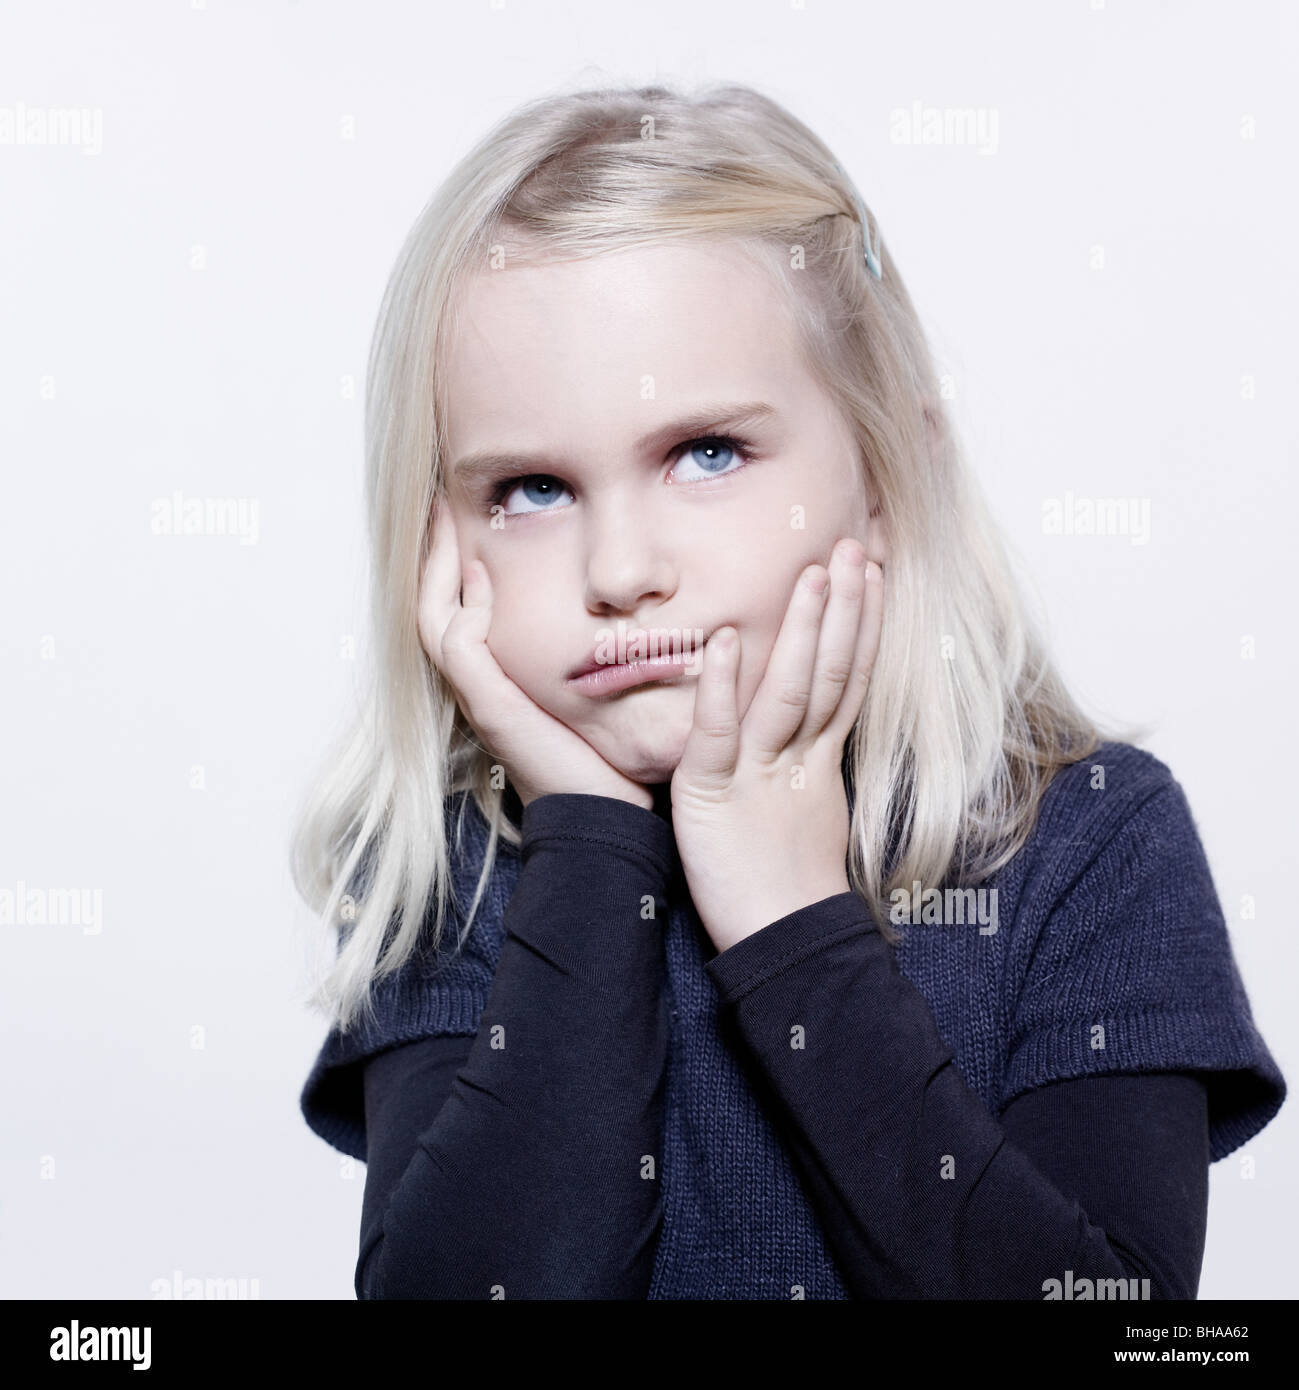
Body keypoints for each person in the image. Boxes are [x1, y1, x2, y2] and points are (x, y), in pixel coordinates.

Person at [292, 82, 1285, 1300]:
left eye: (707, 453)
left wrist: (785, 913)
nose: (619, 573)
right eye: (532, 490)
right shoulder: (455, 870)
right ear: (440, 540)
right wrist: (594, 852)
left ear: (890, 468)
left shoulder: (1086, 841)